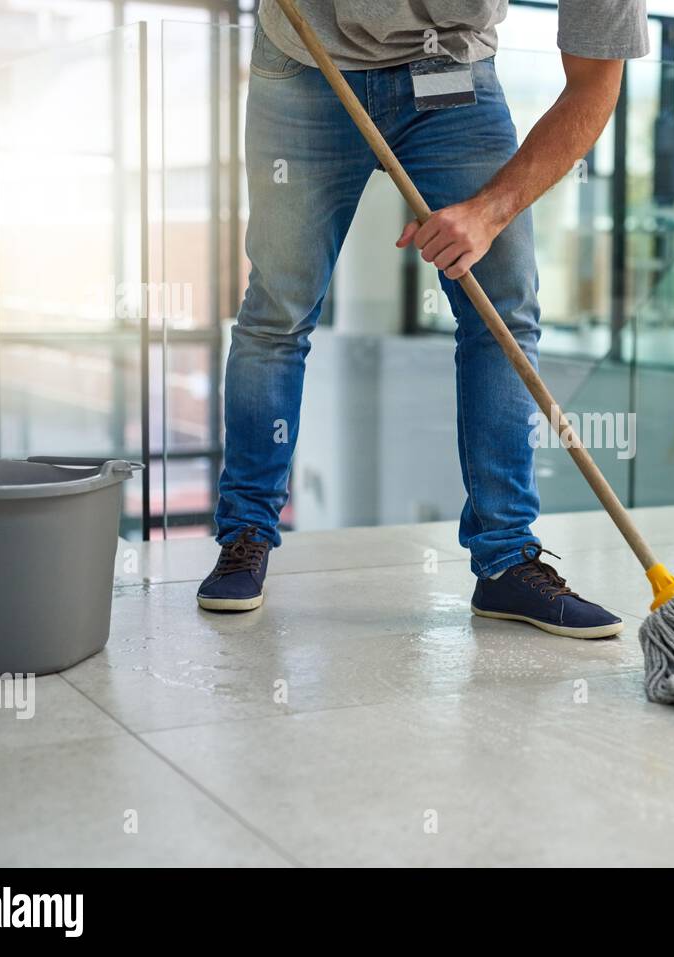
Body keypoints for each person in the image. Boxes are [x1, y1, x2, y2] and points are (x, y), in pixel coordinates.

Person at [196, 0, 648, 640]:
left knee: (503, 314)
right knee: (278, 310)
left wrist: (490, 212)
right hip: (305, 65)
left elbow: (595, 84)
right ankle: (245, 534)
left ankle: (507, 562)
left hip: (448, 72)